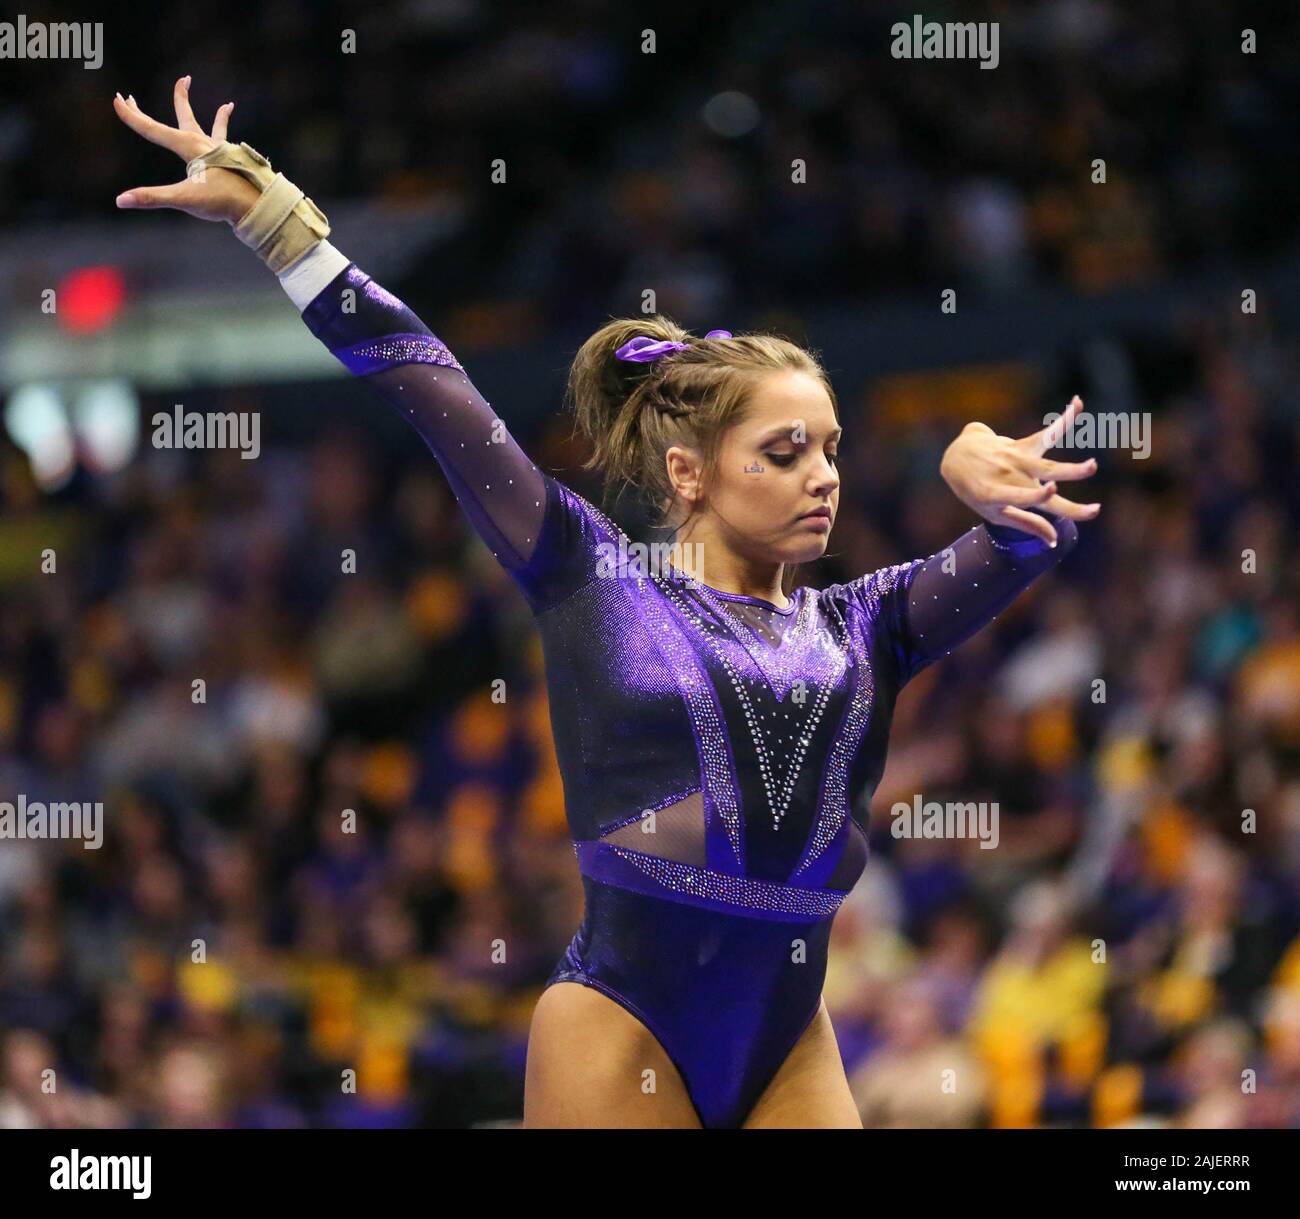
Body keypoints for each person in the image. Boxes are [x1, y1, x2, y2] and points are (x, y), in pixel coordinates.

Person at [112, 77, 1101, 1128]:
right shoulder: (592, 576)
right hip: (622, 1023)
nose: (823, 477)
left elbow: (1041, 535)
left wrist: (981, 466)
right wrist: (273, 220)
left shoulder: (868, 626)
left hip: (788, 1039)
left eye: (831, 449)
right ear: (688, 472)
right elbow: (426, 380)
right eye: (784, 451)